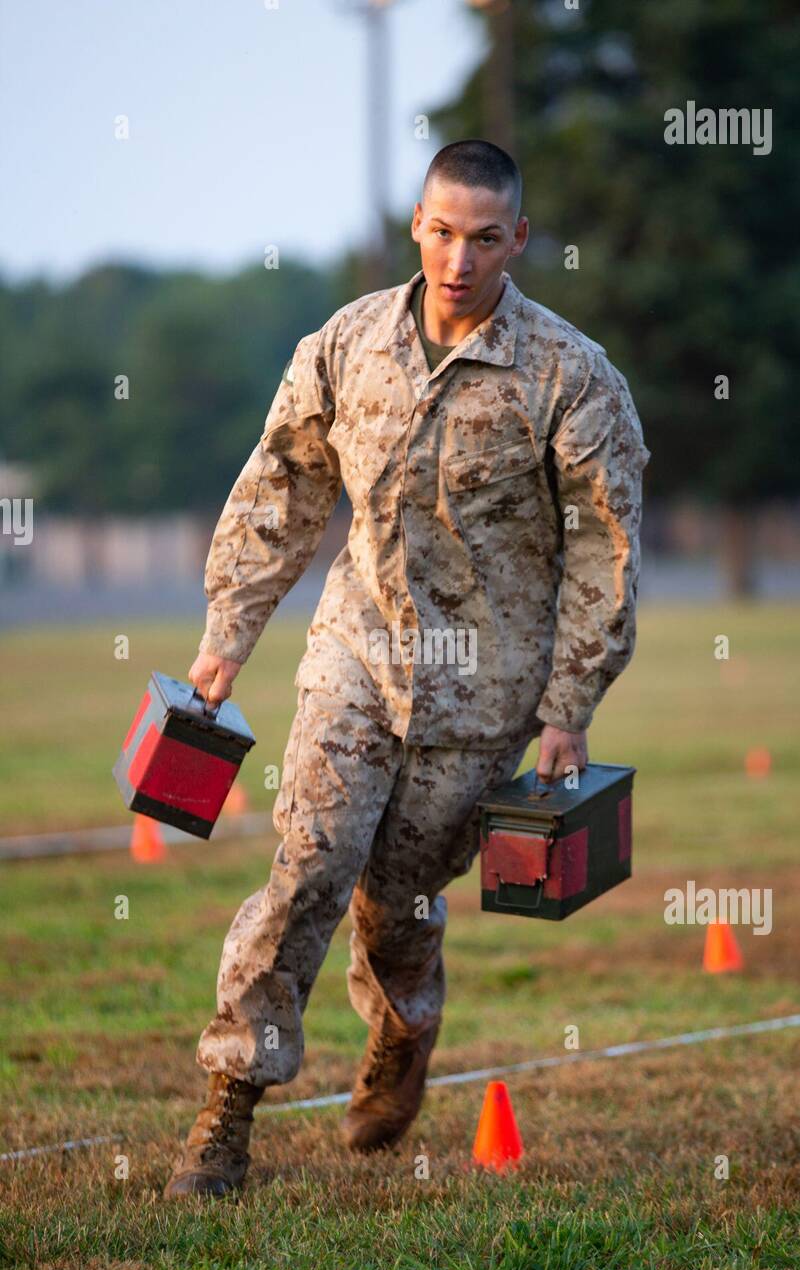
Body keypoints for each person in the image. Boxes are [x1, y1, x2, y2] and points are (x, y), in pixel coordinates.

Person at [163, 139, 650, 1199]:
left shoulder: (570, 376)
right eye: (440, 231)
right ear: (415, 227)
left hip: (482, 700)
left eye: (484, 237)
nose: (458, 258)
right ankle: (226, 1112)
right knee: (307, 871)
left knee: (399, 904)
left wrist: (570, 704)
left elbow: (604, 547)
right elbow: (282, 487)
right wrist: (226, 631)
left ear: (517, 239)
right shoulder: (346, 346)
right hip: (355, 657)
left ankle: (400, 1037)